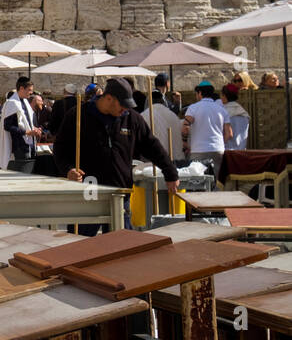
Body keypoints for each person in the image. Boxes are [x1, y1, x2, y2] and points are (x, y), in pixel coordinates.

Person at [56, 78, 178, 234]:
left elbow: (152, 146)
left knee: (122, 246)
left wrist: (170, 172)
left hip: (120, 193)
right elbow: (60, 148)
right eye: (123, 105)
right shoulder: (78, 115)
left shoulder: (131, 118)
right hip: (88, 191)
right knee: (80, 244)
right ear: (108, 98)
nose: (125, 110)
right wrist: (68, 170)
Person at [183, 81, 232, 172]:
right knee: (217, 181)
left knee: (199, 180)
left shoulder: (193, 108)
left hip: (198, 149)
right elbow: (229, 134)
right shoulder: (222, 110)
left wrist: (185, 143)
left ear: (200, 93)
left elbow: (185, 128)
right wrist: (219, 143)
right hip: (218, 149)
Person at [142, 85, 186, 163]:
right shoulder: (173, 116)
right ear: (163, 101)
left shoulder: (143, 116)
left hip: (154, 162)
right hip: (175, 160)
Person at [221, 83, 250, 150]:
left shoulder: (223, 113)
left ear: (224, 96)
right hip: (241, 150)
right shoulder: (244, 113)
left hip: (227, 150)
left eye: (221, 95)